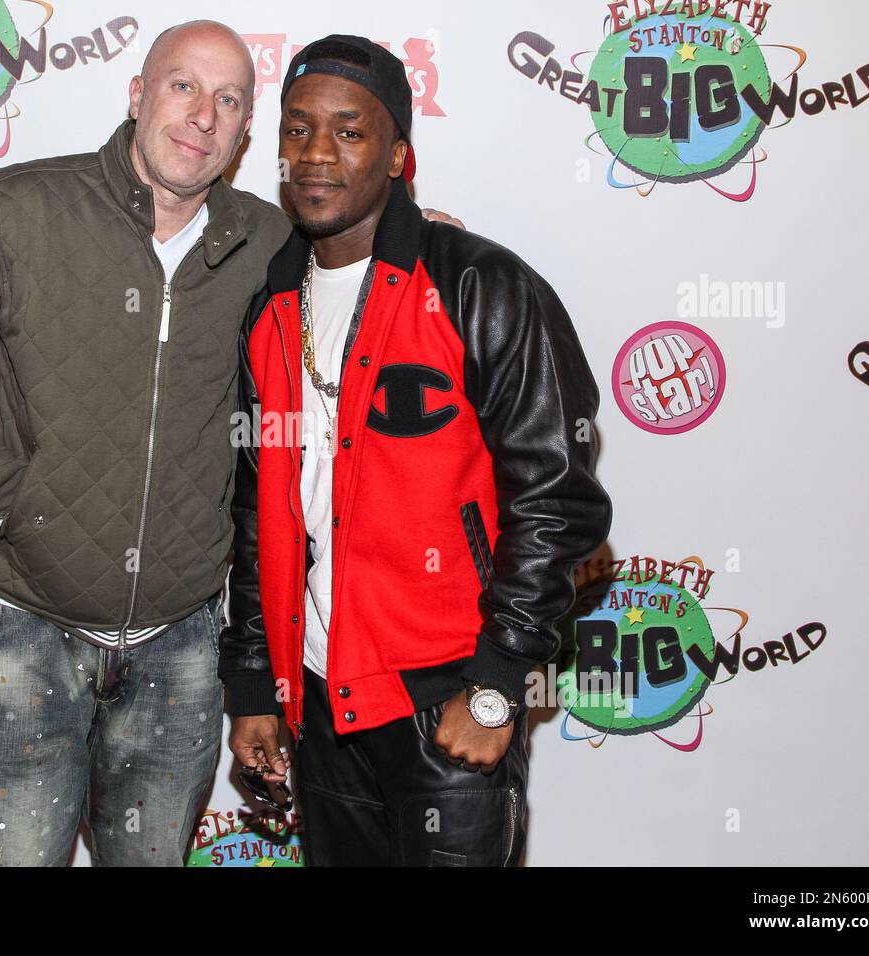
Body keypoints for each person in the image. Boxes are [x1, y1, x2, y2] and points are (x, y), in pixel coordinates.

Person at [0, 20, 458, 867]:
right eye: (184, 86)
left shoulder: (270, 242)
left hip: (183, 646)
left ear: (244, 134)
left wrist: (424, 232)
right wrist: (10, 498)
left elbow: (368, 241)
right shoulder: (11, 210)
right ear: (138, 96)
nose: (203, 115)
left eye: (230, 100)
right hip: (21, 630)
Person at [219, 35, 614, 866]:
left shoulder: (480, 285)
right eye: (296, 131)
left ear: (399, 154)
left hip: (449, 703)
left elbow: (557, 499)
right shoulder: (270, 311)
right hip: (320, 704)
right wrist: (258, 684)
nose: (317, 154)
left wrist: (500, 686)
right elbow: (261, 517)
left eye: (349, 130)